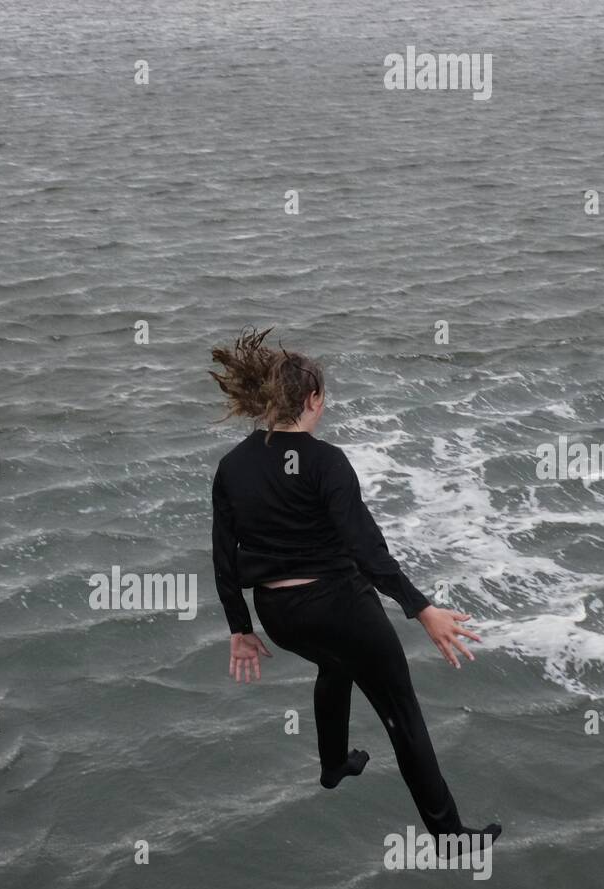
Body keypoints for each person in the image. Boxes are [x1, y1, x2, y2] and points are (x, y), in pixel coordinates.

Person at [209, 327, 501, 842]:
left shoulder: (232, 466)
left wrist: (240, 627)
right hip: (339, 607)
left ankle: (333, 763)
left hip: (280, 616)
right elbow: (367, 551)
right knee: (403, 714)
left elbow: (223, 554)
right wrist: (421, 608)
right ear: (313, 399)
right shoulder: (327, 462)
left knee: (333, 662)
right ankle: (450, 837)